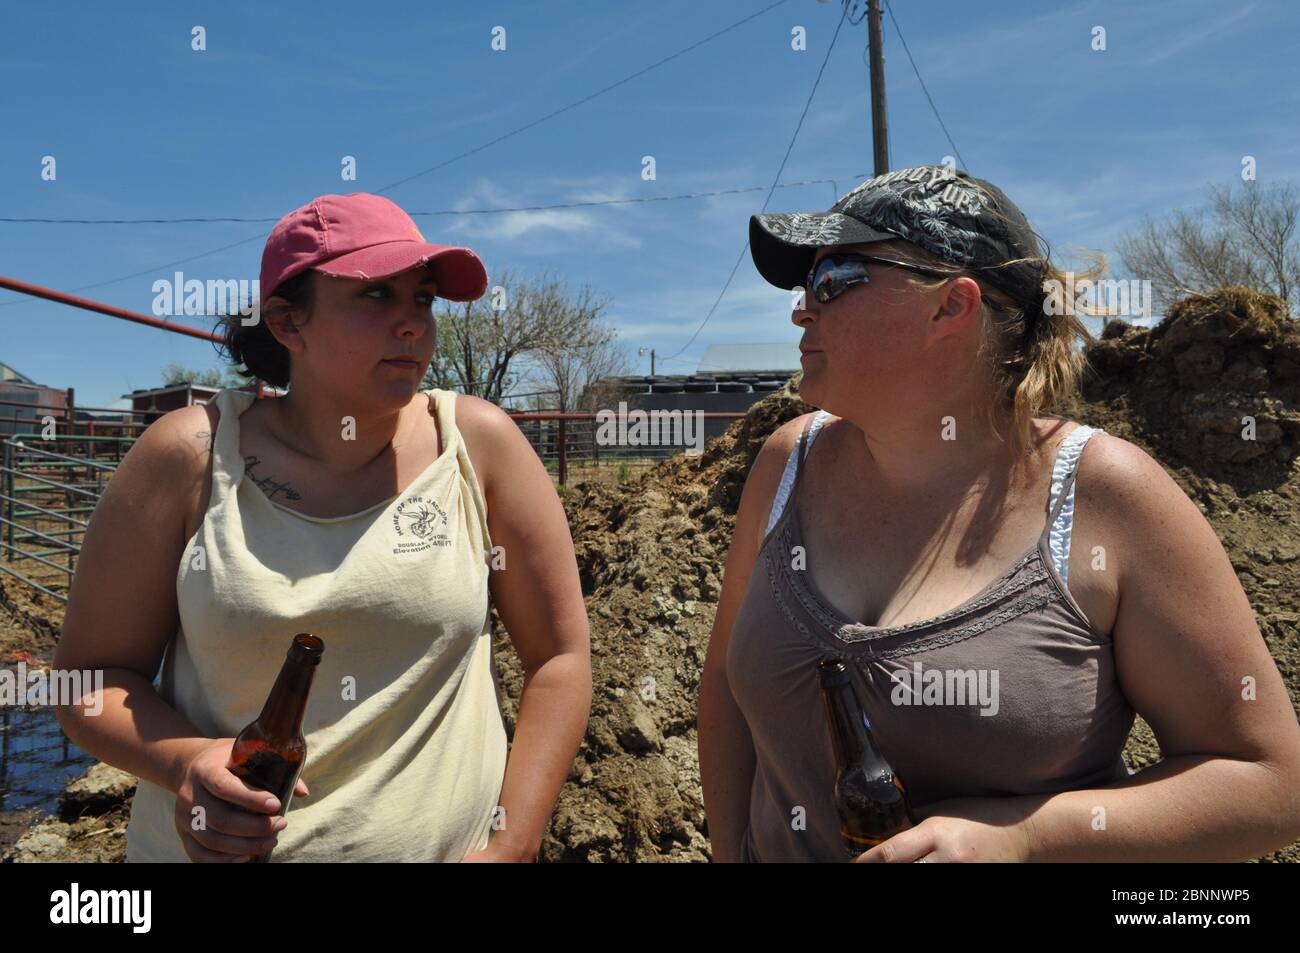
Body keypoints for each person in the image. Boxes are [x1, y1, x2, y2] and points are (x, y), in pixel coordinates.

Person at [698, 164, 1300, 862]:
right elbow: (724, 689)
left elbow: (1272, 782)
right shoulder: (785, 466)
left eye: (832, 277)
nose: (803, 307)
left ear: (950, 307)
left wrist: (1026, 836)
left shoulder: (1105, 496)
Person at [54, 192, 592, 862]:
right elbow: (87, 679)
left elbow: (560, 660)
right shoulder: (189, 457)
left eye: (422, 299)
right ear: (286, 322)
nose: (413, 325)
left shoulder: (477, 447)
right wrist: (187, 762)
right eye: (375, 296)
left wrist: (510, 844)